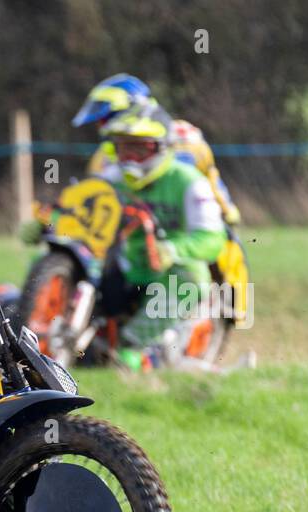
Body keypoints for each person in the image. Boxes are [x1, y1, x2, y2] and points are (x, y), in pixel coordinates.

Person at [100, 104, 227, 366]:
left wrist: (173, 250)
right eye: (124, 148)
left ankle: (134, 347)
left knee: (191, 277)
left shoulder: (188, 181)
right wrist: (52, 225)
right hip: (118, 265)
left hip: (164, 272)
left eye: (140, 148)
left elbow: (213, 238)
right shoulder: (108, 180)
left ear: (162, 147)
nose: (131, 157)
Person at [71, 73, 240, 225]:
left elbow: (208, 177)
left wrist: (226, 210)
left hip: (192, 225)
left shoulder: (186, 139)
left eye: (107, 117)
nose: (102, 126)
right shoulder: (103, 156)